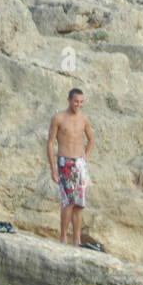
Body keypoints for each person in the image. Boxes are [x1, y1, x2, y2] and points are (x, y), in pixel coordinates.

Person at [47, 88, 94, 246]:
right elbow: (50, 143)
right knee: (68, 202)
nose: (78, 105)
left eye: (81, 102)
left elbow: (91, 140)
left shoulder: (84, 119)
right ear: (69, 99)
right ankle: (63, 237)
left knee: (79, 204)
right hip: (64, 162)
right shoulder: (58, 118)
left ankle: (77, 240)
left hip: (79, 163)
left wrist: (85, 157)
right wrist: (53, 169)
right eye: (76, 101)